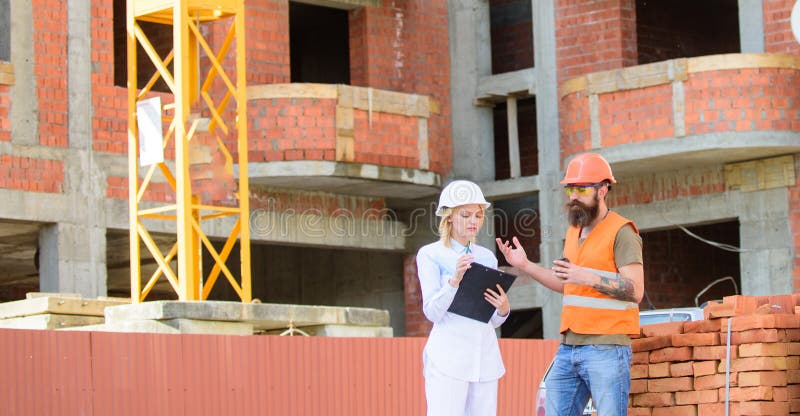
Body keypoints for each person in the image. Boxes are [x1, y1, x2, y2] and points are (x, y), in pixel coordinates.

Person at [496, 152, 644, 416]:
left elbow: (636, 290)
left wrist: (584, 276)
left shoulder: (623, 232)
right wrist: (525, 265)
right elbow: (568, 284)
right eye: (570, 189)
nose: (573, 196)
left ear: (603, 190)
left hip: (607, 348)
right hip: (568, 348)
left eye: (581, 189)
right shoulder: (573, 232)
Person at [416, 179, 511, 416]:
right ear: (449, 216)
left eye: (478, 216)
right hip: (448, 357)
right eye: (465, 215)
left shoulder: (487, 257)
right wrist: (454, 281)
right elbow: (432, 312)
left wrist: (502, 309)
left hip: (485, 357)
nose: (473, 222)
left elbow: (489, 319)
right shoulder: (430, 254)